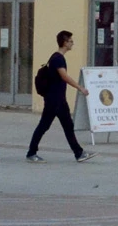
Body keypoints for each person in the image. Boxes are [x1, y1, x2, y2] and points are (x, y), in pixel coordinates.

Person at [29, 29, 87, 161]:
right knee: (44, 125)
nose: (72, 43)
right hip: (53, 100)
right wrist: (80, 87)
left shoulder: (57, 58)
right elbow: (64, 76)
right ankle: (31, 152)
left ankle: (79, 153)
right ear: (65, 42)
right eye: (71, 41)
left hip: (59, 99)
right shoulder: (58, 59)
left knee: (68, 126)